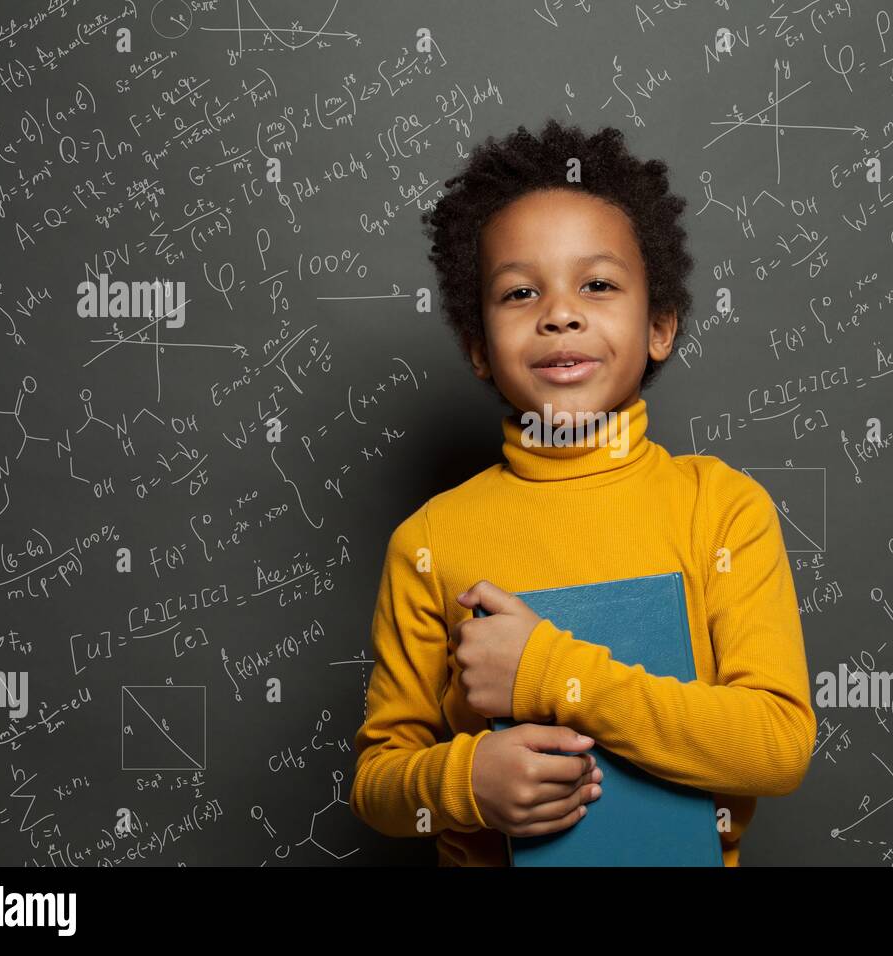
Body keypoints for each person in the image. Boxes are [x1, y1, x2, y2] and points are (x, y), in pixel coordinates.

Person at [349, 119, 815, 866]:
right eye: (519, 292)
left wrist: (546, 672)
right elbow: (378, 783)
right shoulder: (430, 541)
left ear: (660, 325)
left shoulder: (721, 509)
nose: (559, 312)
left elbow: (777, 747)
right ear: (478, 347)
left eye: (597, 285)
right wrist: (464, 781)